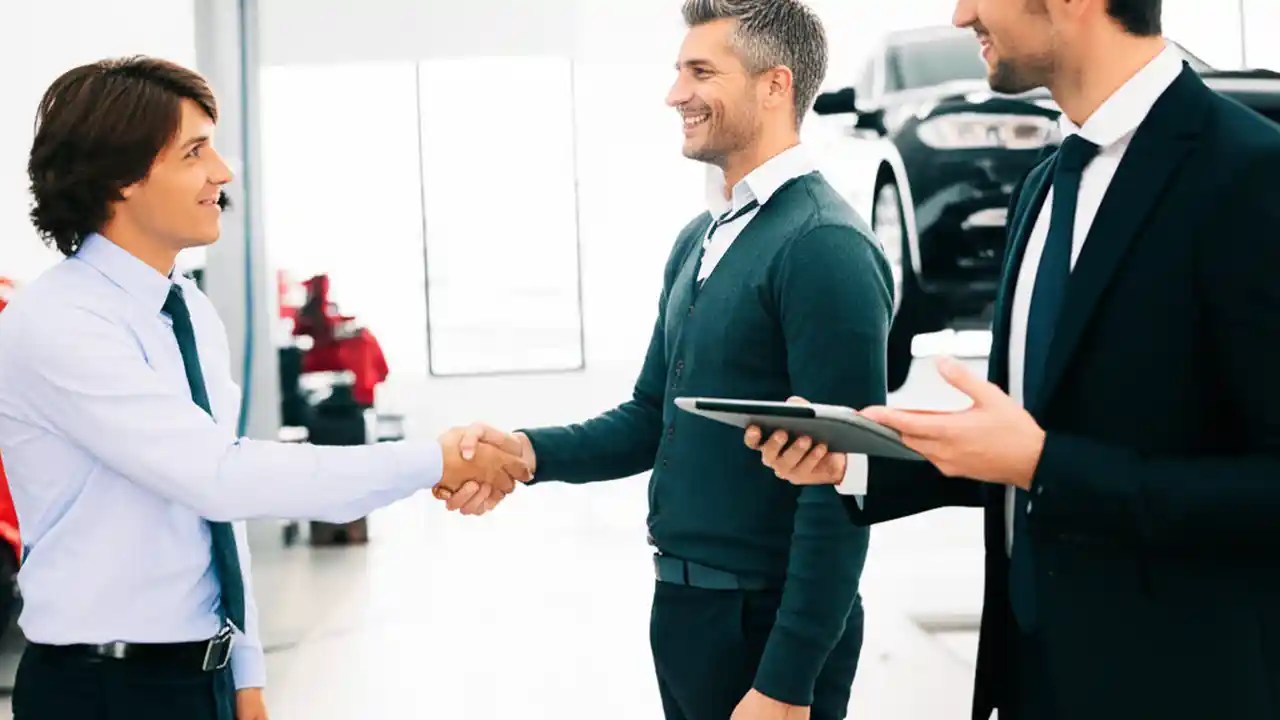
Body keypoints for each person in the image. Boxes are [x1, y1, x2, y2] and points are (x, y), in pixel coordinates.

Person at [745, 0, 1280, 718]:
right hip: (1030, 679)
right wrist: (857, 459)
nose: (962, 14)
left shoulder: (1250, 174)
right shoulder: (1044, 188)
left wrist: (1043, 465)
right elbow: (1019, 444)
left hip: (1181, 685)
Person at [0, 57, 528, 720]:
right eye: (195, 151)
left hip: (202, 676)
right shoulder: (58, 323)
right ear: (120, 178)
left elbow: (217, 505)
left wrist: (244, 670)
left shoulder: (186, 309)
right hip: (104, 687)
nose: (222, 173)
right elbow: (220, 476)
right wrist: (434, 459)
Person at [447, 2, 892, 718]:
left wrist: (786, 683)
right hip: (689, 613)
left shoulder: (823, 246)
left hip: (764, 624)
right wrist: (525, 453)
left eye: (701, 72)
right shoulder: (702, 238)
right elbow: (652, 417)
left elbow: (847, 484)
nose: (675, 93)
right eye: (677, 70)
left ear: (775, 86)